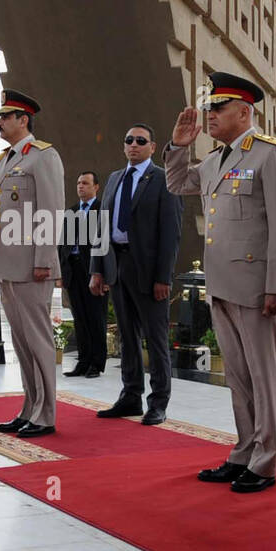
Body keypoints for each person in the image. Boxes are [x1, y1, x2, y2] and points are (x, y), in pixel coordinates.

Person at [165, 73, 276, 493]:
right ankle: (243, 451)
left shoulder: (269, 155)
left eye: (218, 108)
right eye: (209, 109)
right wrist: (179, 147)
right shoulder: (215, 160)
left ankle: (266, 459)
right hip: (220, 280)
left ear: (244, 111)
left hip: (255, 283)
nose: (210, 115)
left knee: (262, 375)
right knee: (237, 374)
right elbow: (178, 183)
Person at [0, 91, 66, 436]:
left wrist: (45, 261)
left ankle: (45, 415)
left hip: (33, 265)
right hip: (7, 263)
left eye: (6, 117)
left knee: (38, 339)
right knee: (21, 342)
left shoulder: (42, 156)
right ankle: (29, 408)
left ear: (24, 120)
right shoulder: (6, 160)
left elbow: (51, 211)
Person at [93, 126, 183, 424]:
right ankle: (130, 395)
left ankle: (158, 401)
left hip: (147, 269)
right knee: (126, 335)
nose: (133, 145)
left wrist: (164, 278)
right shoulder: (115, 179)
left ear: (152, 147)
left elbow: (171, 233)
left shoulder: (163, 178)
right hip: (116, 265)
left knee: (155, 338)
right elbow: (101, 226)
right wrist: (97, 270)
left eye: (140, 141)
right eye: (128, 140)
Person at [58, 171, 107, 379]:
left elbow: (106, 245)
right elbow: (63, 245)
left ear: (96, 187)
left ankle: (96, 363)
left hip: (93, 270)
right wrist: (61, 272)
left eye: (85, 183)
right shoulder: (71, 211)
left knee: (96, 317)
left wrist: (104, 273)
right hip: (74, 270)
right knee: (79, 318)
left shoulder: (103, 210)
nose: (80, 187)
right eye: (78, 183)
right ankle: (83, 361)